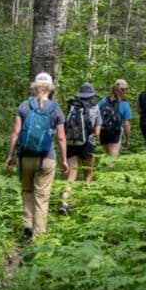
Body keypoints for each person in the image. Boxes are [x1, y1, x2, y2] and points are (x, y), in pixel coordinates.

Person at [5, 72, 68, 240]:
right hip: (47, 158)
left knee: (27, 191)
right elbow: (61, 137)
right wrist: (64, 160)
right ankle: (38, 236)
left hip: (24, 157)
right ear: (50, 88)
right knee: (42, 196)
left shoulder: (24, 106)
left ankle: (27, 225)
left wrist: (10, 156)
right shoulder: (56, 109)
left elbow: (16, 133)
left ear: (34, 86)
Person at [60, 82, 102, 215]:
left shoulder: (72, 106)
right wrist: (94, 134)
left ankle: (65, 201)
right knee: (88, 174)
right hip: (87, 144)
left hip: (71, 143)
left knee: (72, 175)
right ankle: (80, 202)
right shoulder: (95, 107)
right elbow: (97, 130)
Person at [98, 78, 133, 157]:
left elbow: (97, 114)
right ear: (123, 90)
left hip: (103, 132)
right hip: (115, 132)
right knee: (112, 159)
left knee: (108, 156)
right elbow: (127, 124)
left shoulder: (104, 100)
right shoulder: (124, 104)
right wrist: (127, 140)